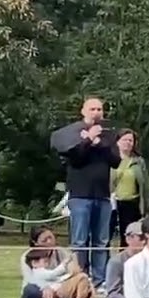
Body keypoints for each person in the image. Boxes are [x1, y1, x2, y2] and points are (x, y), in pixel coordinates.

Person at [51, 97, 121, 285]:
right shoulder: (72, 133)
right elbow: (75, 159)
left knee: (101, 241)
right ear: (83, 111)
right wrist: (88, 140)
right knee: (80, 241)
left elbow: (116, 161)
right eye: (92, 109)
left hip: (103, 195)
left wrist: (98, 142)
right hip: (80, 194)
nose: (96, 112)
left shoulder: (108, 134)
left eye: (99, 109)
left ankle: (100, 280)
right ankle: (79, 279)